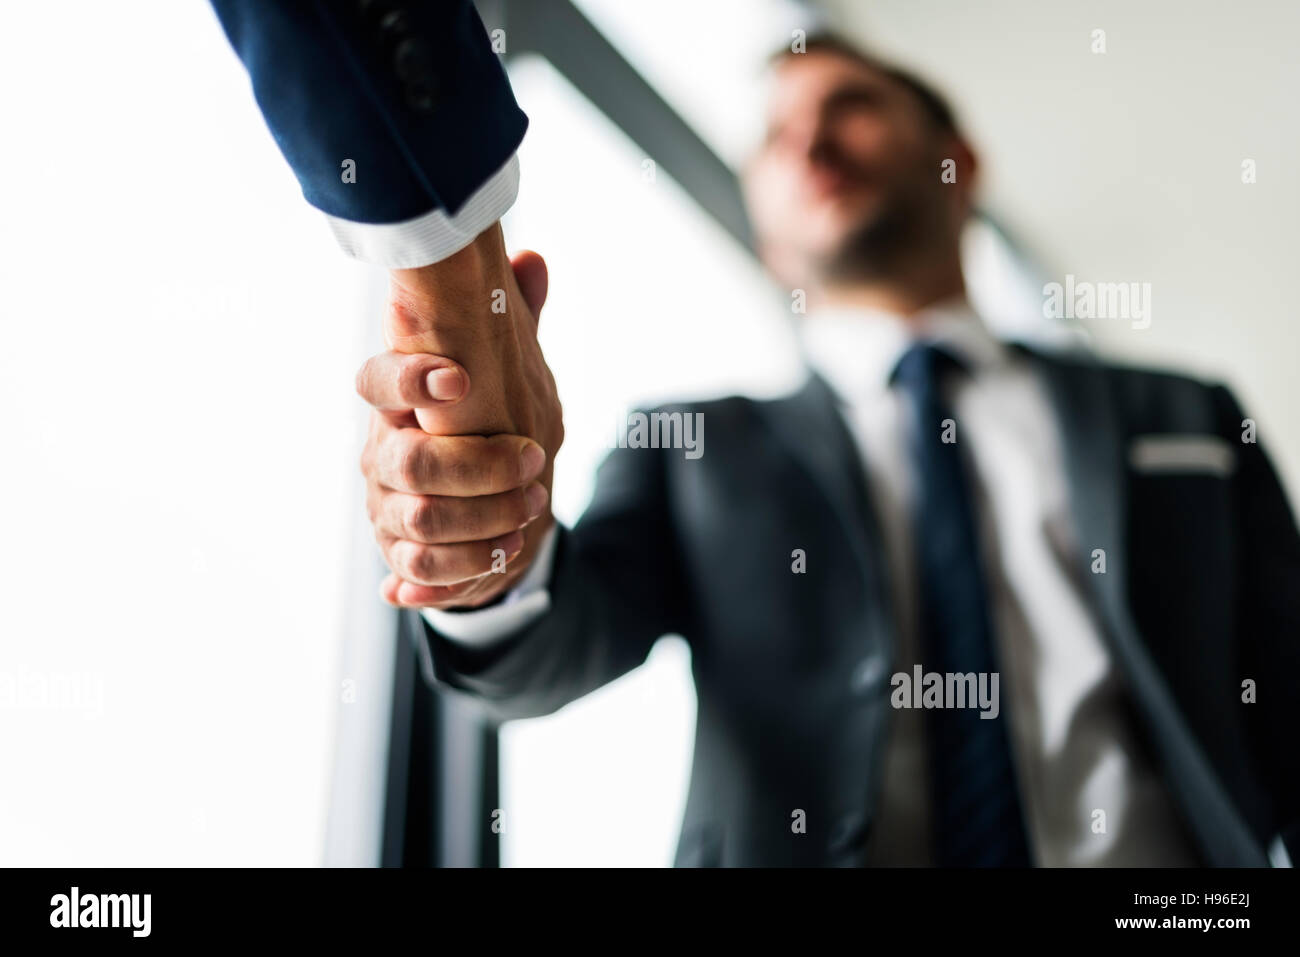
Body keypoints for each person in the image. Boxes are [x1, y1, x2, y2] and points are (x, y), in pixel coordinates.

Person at [213, 5, 1299, 866]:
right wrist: (488, 545)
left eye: (852, 105)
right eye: (776, 138)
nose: (812, 138)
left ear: (957, 161)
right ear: (772, 242)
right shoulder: (693, 446)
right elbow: (556, 652)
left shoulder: (1183, 415)